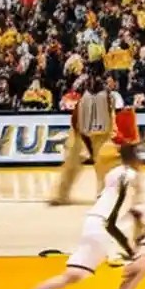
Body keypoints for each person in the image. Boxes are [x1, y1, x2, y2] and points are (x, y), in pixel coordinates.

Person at [0, 144, 145, 289]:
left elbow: (111, 200)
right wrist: (136, 237)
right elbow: (126, 209)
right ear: (136, 160)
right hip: (109, 229)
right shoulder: (132, 177)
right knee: (140, 266)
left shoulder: (112, 173)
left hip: (92, 223)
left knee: (72, 275)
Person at [52, 74, 123, 205]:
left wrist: (113, 135)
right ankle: (61, 194)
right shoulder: (85, 99)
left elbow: (112, 118)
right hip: (81, 132)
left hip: (101, 134)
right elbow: (75, 118)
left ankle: (105, 194)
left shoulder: (109, 97)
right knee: (71, 163)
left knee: (105, 164)